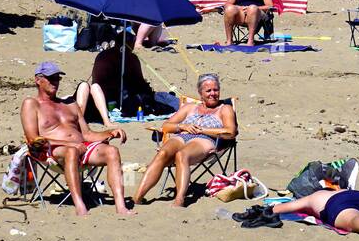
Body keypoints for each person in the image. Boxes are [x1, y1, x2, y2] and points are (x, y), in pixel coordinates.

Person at [21, 62, 132, 217]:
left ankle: (120, 205)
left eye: (57, 78)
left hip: (82, 146)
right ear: (38, 80)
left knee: (112, 151)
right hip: (50, 150)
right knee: (71, 151)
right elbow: (33, 139)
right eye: (50, 78)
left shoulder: (69, 103)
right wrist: (71, 144)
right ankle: (79, 205)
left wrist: (110, 133)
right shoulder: (31, 104)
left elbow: (87, 134)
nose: (55, 82)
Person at [133, 73, 236, 207]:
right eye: (208, 90)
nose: (213, 93)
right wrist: (183, 126)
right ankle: (138, 197)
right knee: (162, 154)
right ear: (200, 93)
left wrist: (202, 130)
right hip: (182, 136)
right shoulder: (189, 107)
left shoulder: (224, 108)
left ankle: (179, 199)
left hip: (205, 139)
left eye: (216, 90)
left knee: (182, 155)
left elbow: (230, 131)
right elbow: (166, 126)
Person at [89, 26, 154, 117]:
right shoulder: (104, 58)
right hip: (106, 95)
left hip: (127, 92)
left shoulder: (132, 58)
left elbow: (139, 80)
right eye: (131, 45)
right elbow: (99, 82)